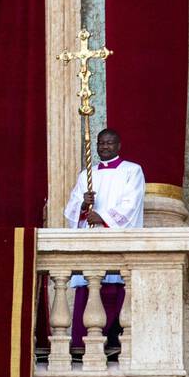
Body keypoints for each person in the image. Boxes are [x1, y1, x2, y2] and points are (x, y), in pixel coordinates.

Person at [62, 128, 145, 358]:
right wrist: (82, 205)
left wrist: (103, 217)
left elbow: (132, 204)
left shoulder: (132, 171)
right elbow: (71, 207)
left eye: (109, 143)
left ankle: (111, 344)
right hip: (91, 241)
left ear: (118, 146)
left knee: (114, 291)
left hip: (115, 241)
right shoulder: (86, 174)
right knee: (88, 291)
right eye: (101, 143)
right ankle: (81, 345)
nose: (104, 147)